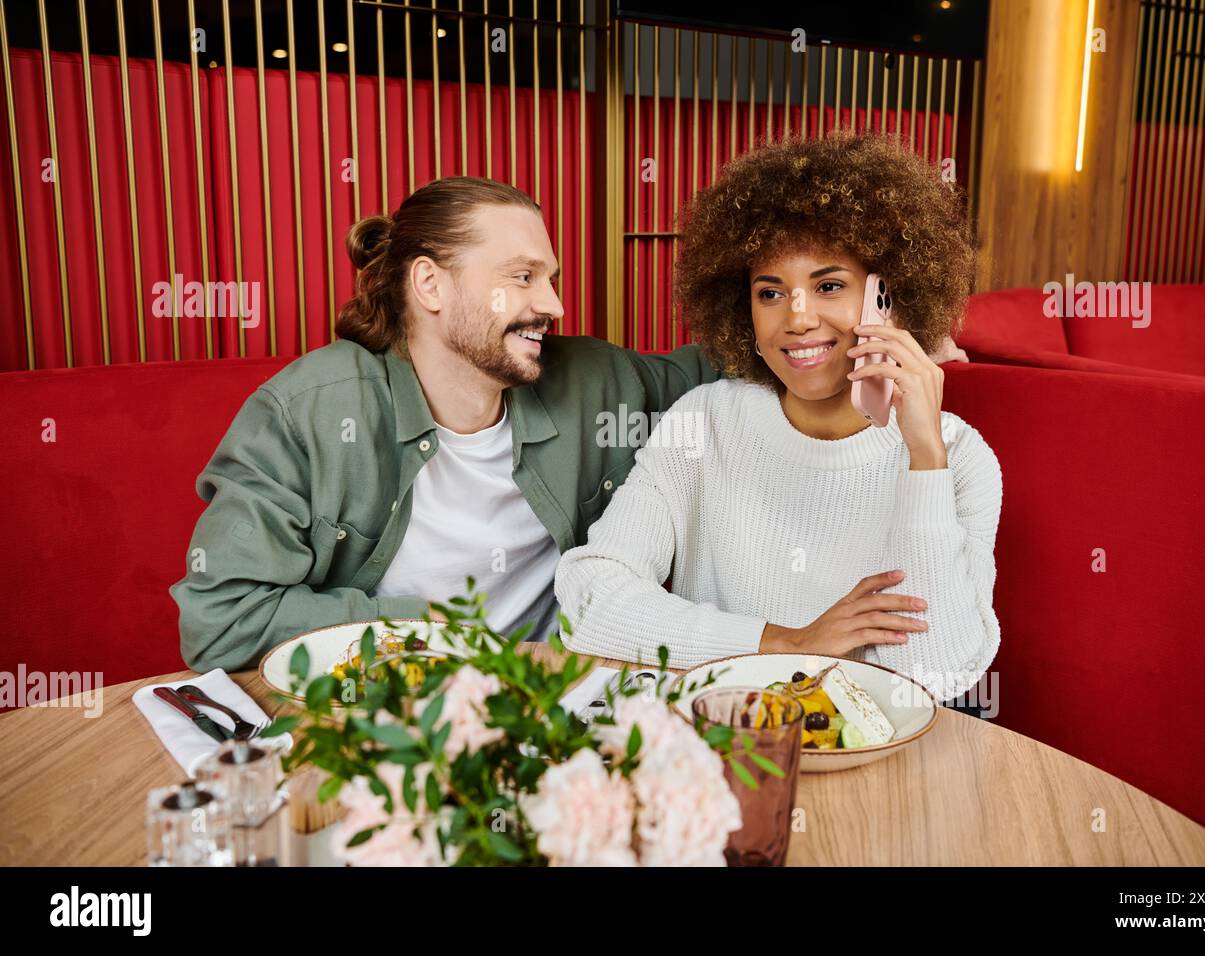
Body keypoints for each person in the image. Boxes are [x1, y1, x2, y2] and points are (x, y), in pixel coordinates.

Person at [172, 177, 719, 672]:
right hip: (390, 716)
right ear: (430, 285)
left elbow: (735, 361)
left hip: (556, 713)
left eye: (550, 278)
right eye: (523, 277)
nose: (553, 303)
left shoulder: (595, 381)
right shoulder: (306, 413)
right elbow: (221, 621)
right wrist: (428, 628)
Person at [554, 132, 1003, 708]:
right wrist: (786, 644)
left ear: (889, 298)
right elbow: (590, 597)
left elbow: (932, 679)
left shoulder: (958, 460)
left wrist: (924, 460)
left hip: (874, 759)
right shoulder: (704, 423)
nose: (796, 318)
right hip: (720, 747)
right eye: (771, 292)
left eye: (830, 286)